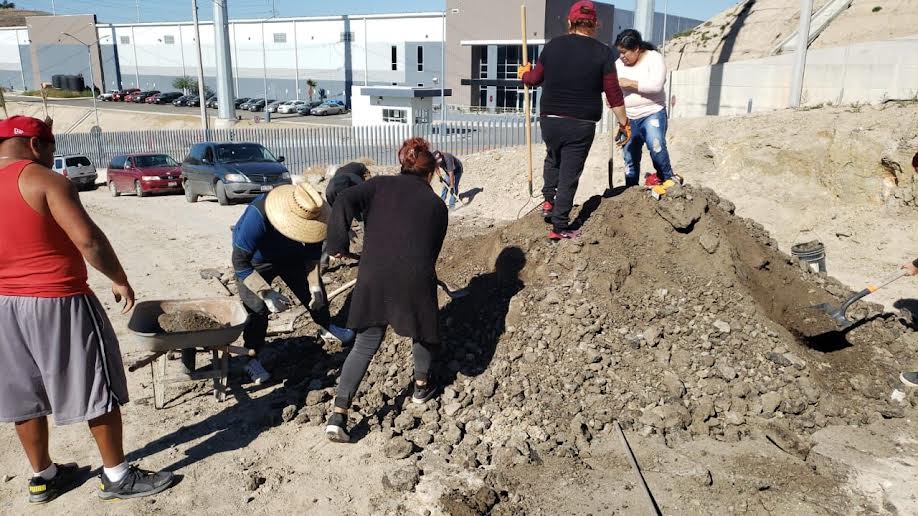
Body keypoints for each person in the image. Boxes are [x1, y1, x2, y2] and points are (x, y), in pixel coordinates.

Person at [0, 116, 174, 503]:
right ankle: (116, 476)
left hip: (4, 306)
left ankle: (43, 477)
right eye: (50, 147)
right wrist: (119, 277)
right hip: (58, 299)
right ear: (35, 145)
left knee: (22, 394)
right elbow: (89, 239)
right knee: (99, 383)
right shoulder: (44, 180)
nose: (52, 154)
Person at [324, 137, 448, 442]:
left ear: (402, 163)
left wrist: (338, 244)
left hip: (374, 273)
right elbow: (430, 251)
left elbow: (342, 200)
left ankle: (338, 414)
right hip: (415, 276)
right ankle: (421, 387)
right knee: (423, 328)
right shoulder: (437, 205)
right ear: (430, 173)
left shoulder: (377, 185)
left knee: (365, 342)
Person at [519, 0, 629, 240]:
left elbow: (535, 78)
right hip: (581, 123)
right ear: (595, 25)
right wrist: (624, 122)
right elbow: (613, 94)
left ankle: (548, 201)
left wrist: (524, 74)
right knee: (570, 172)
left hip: (550, 119)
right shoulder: (603, 53)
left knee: (553, 156)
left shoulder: (553, 46)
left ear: (570, 22)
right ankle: (559, 226)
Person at [232, 179, 355, 384]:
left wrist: (314, 285)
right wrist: (265, 292)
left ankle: (327, 327)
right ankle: (251, 358)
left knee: (315, 293)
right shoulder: (258, 215)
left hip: (290, 257)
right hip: (256, 261)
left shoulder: (316, 217)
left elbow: (312, 259)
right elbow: (239, 262)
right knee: (256, 310)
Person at [615, 29, 676, 188]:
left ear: (636, 48)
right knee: (629, 155)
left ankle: (667, 179)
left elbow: (656, 86)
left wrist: (630, 83)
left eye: (625, 52)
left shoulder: (654, 58)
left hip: (652, 112)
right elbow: (612, 87)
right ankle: (631, 188)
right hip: (628, 117)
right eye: (619, 53)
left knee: (656, 147)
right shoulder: (618, 64)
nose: (622, 56)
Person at [320, 161, 371, 271]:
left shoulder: (355, 181)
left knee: (365, 224)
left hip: (343, 194)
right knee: (333, 229)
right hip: (345, 193)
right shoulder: (331, 191)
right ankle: (323, 263)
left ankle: (370, 253)